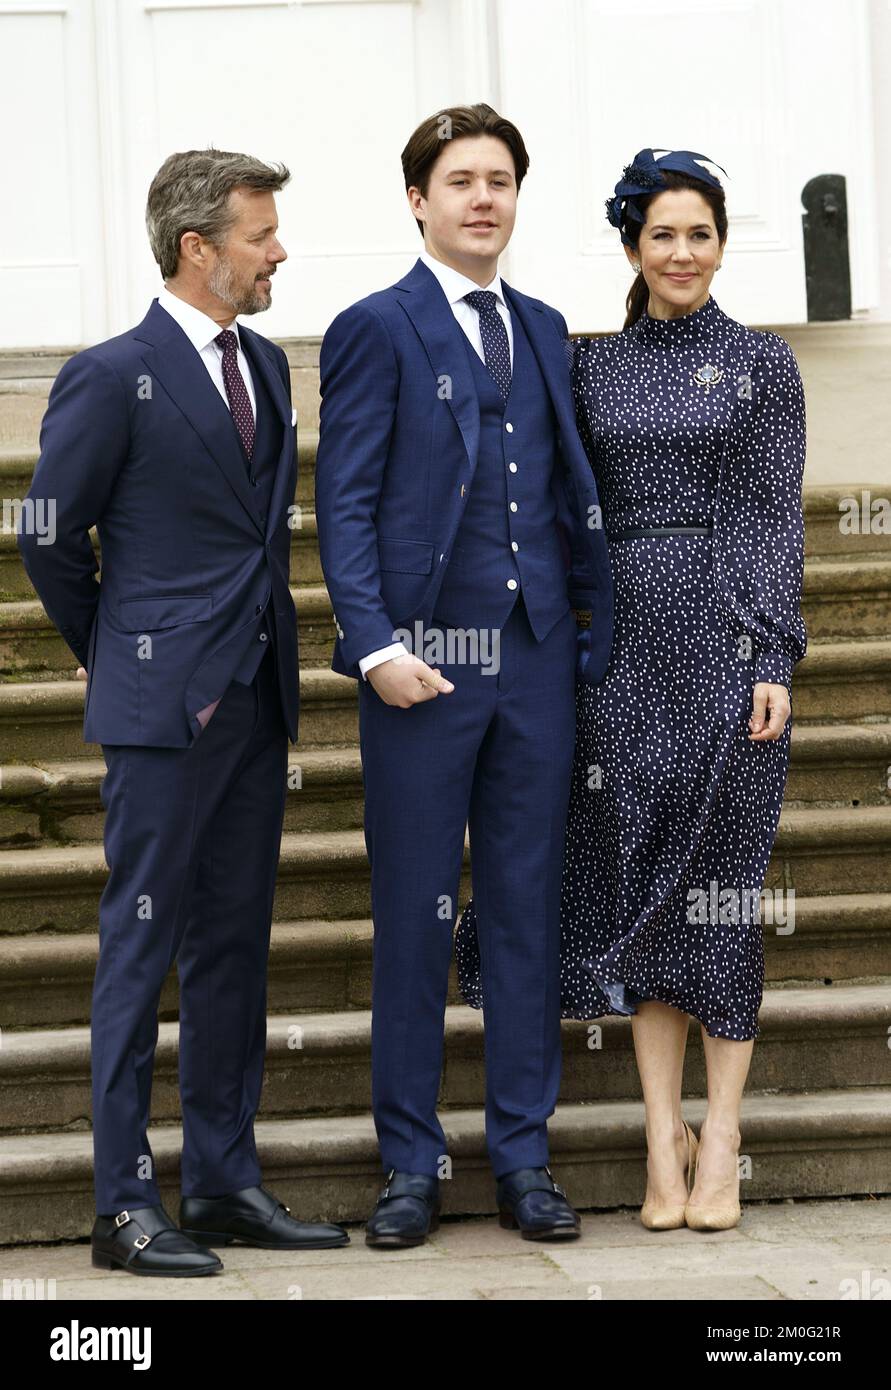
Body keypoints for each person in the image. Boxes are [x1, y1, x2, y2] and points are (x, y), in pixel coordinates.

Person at [456, 148, 807, 1233]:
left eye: (699, 233)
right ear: (631, 246)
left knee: (722, 895)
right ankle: (664, 1137)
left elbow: (771, 516)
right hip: (618, 655)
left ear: (720, 244)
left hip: (725, 641)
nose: (682, 252)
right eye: (663, 234)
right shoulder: (588, 365)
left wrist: (772, 657)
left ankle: (726, 1135)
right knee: (640, 897)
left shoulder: (761, 365)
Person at [17, 148, 349, 1274]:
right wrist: (115, 654)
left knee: (232, 951)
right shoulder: (112, 374)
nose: (280, 253)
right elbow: (49, 535)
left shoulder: (267, 363)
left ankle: (219, 1183)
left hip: (256, 699)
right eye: (262, 235)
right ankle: (121, 1206)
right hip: (163, 708)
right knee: (138, 950)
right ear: (198, 247)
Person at [315, 104, 613, 1247]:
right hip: (421, 672)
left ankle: (526, 1160)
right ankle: (409, 1162)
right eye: (460, 181)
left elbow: (553, 490)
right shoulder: (374, 326)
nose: (483, 197)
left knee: (529, 913)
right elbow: (344, 499)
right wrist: (376, 645)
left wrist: (587, 632)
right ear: (418, 201)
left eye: (499, 180)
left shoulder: (543, 325)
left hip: (535, 664)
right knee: (413, 919)